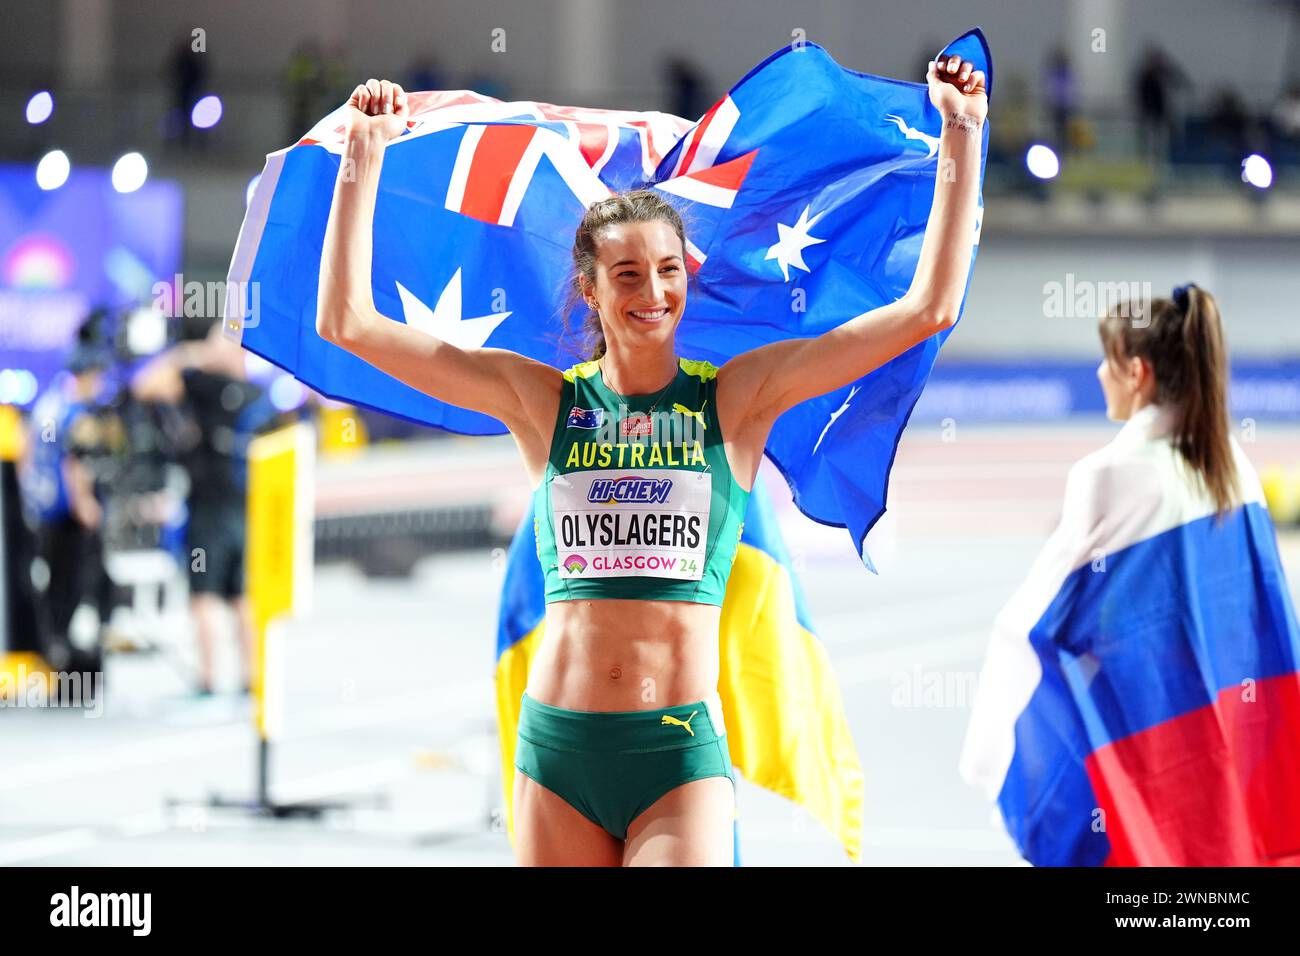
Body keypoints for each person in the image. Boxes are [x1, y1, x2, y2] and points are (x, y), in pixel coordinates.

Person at [317, 58, 987, 866]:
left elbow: (929, 307)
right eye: (627, 274)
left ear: (687, 278)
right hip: (556, 750)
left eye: (667, 270)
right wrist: (365, 153)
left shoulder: (738, 400)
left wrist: (962, 132)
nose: (652, 292)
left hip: (674, 757)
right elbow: (347, 322)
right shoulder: (543, 402)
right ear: (591, 290)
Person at [960, 284, 1300, 865]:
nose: (1098, 374)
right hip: (1219, 718)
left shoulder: (1109, 474)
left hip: (1145, 722)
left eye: (1107, 361)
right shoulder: (1233, 469)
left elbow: (1042, 622)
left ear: (1137, 372)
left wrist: (995, 724)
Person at [131, 321, 276, 696]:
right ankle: (252, 679)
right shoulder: (260, 397)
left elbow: (144, 385)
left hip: (208, 512)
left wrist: (188, 354)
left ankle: (209, 681)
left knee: (204, 597)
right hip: (249, 511)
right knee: (243, 597)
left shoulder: (203, 386)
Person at [19, 342, 114, 674]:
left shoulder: (46, 405)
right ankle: (62, 653)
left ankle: (52, 648)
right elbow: (76, 462)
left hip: (43, 508)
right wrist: (84, 503)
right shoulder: (77, 413)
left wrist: (30, 495)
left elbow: (26, 454)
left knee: (50, 583)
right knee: (70, 584)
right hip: (68, 512)